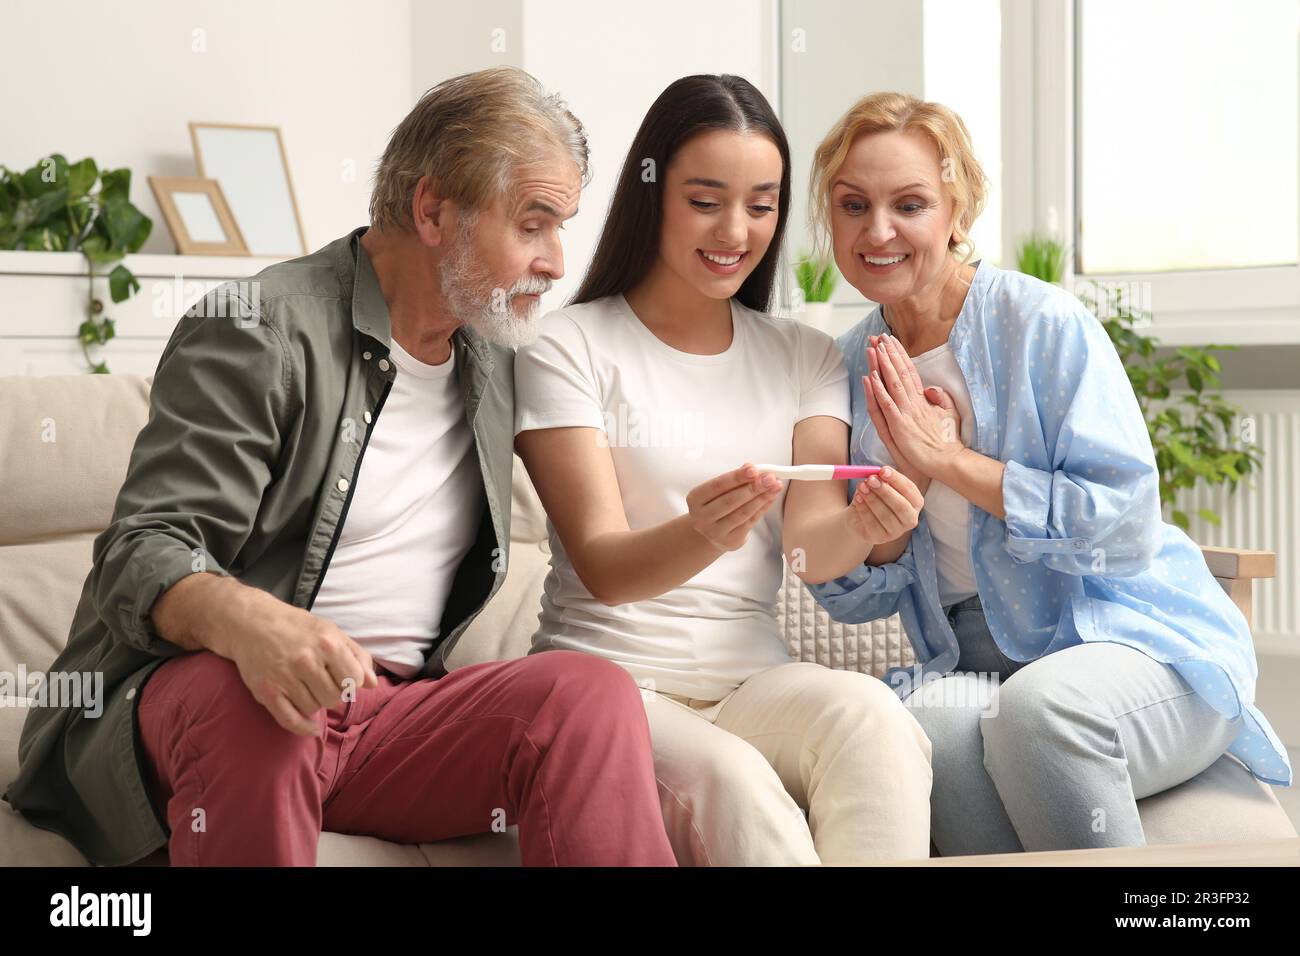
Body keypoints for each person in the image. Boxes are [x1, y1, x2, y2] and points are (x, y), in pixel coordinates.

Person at [3, 67, 677, 867]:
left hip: (383, 717)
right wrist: (257, 626)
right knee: (266, 704)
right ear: (433, 210)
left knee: (587, 697)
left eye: (562, 226)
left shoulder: (499, 356)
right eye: (534, 225)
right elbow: (140, 550)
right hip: (203, 705)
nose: (557, 262)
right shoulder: (261, 331)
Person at [804, 91, 1292, 855]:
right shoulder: (839, 369)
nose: (879, 230)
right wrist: (895, 501)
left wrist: (953, 463)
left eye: (910, 203)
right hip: (974, 659)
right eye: (853, 205)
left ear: (957, 210)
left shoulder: (1041, 324)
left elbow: (1124, 526)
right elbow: (852, 593)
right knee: (918, 741)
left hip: (1134, 637)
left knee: (1042, 712)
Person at [513, 74, 933, 866]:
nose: (735, 230)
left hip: (750, 680)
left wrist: (869, 529)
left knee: (874, 720)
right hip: (612, 686)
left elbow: (810, 551)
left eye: (762, 204)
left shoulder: (804, 355)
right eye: (705, 200)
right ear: (654, 195)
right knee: (738, 785)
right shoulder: (567, 346)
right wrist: (704, 531)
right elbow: (602, 566)